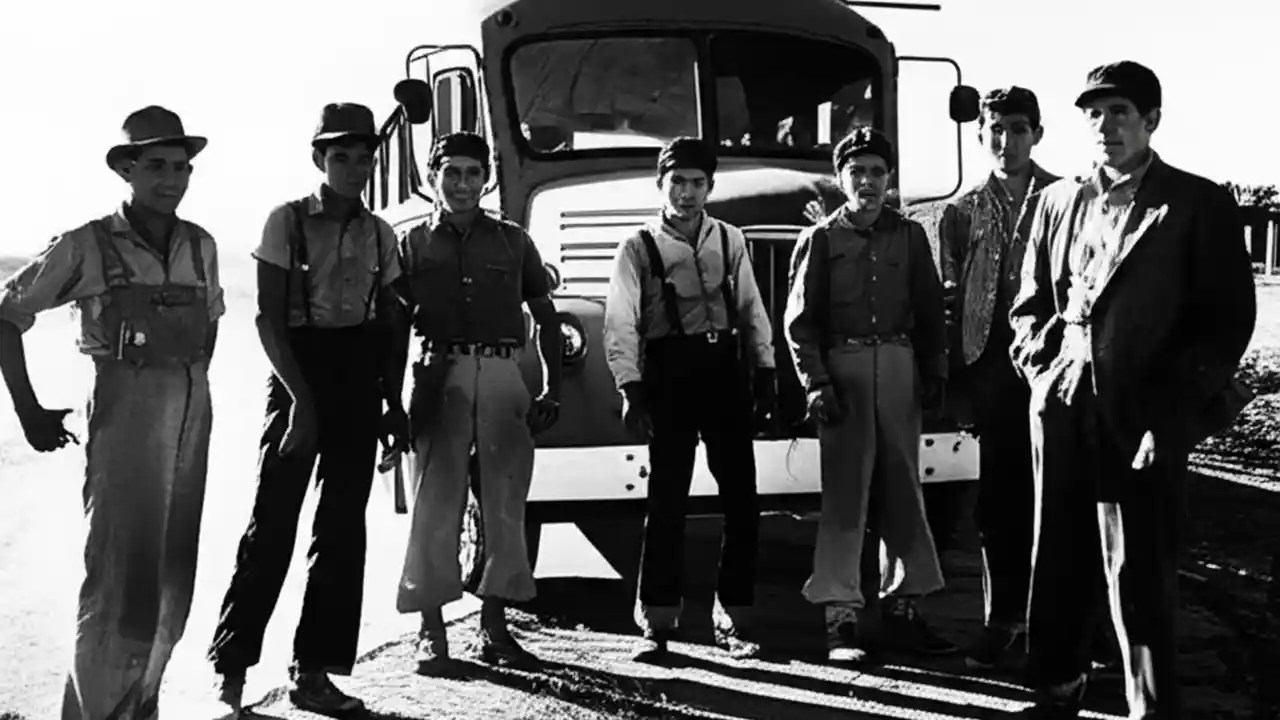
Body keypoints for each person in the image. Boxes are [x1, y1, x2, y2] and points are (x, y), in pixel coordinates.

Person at [1008, 61, 1256, 718]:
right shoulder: (1057, 200)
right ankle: (1057, 688)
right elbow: (1028, 305)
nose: (1106, 125)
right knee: (1057, 554)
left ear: (1151, 121)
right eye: (1094, 113)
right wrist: (1042, 370)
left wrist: (1171, 414)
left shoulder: (1197, 203)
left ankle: (1150, 707)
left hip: (1145, 410)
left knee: (1140, 565)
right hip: (1061, 406)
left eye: (1120, 112)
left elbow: (1226, 322)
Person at [0, 106, 222, 719]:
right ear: (126, 169)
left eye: (181, 167)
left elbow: (211, 330)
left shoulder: (201, 246)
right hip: (126, 414)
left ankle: (142, 707)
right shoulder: (89, 244)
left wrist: (191, 396)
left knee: (172, 579)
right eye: (155, 166)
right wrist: (29, 413)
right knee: (116, 580)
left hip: (191, 416)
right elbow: (6, 317)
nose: (171, 179)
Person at [206, 103, 407, 716]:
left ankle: (313, 673)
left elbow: (391, 324)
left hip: (358, 378)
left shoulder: (380, 233)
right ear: (319, 158)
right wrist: (300, 403)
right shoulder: (286, 221)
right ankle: (233, 674)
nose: (354, 168)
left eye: (364, 157)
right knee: (272, 524)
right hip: (296, 372)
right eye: (340, 156)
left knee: (343, 530)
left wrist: (391, 403)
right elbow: (268, 319)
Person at [784, 126, 957, 664]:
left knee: (905, 489)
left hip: (900, 367)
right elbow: (799, 324)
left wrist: (934, 373)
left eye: (877, 172)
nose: (868, 182)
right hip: (845, 371)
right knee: (845, 494)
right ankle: (840, 619)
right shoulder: (821, 241)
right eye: (857, 172)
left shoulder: (910, 237)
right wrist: (816, 383)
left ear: (890, 178)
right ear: (841, 179)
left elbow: (930, 311)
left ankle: (905, 608)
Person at [390, 131, 563, 670]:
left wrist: (551, 386)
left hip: (504, 372)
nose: (462, 184)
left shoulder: (513, 241)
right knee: (434, 505)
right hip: (438, 377)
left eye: (472, 173)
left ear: (485, 178)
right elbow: (393, 330)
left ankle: (495, 626)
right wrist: (390, 403)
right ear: (432, 178)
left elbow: (546, 315)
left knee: (505, 504)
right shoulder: (410, 244)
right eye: (451, 173)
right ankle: (431, 630)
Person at [603, 137, 777, 661]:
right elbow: (620, 324)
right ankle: (657, 621)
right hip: (669, 374)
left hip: (722, 371)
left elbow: (750, 308)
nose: (686, 192)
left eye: (697, 183)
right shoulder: (638, 246)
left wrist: (764, 370)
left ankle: (737, 617)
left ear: (710, 187)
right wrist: (630, 388)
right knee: (668, 500)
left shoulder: (729, 239)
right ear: (661, 183)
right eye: (677, 181)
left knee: (742, 499)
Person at [933, 87, 1061, 670]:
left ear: (1036, 133)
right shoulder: (959, 212)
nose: (1005, 141)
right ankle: (1003, 621)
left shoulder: (1067, 200)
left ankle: (1062, 629)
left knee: (1059, 499)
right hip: (991, 371)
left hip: (1056, 367)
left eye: (1016, 128)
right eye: (994, 129)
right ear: (980, 134)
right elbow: (949, 302)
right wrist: (958, 384)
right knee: (1000, 504)